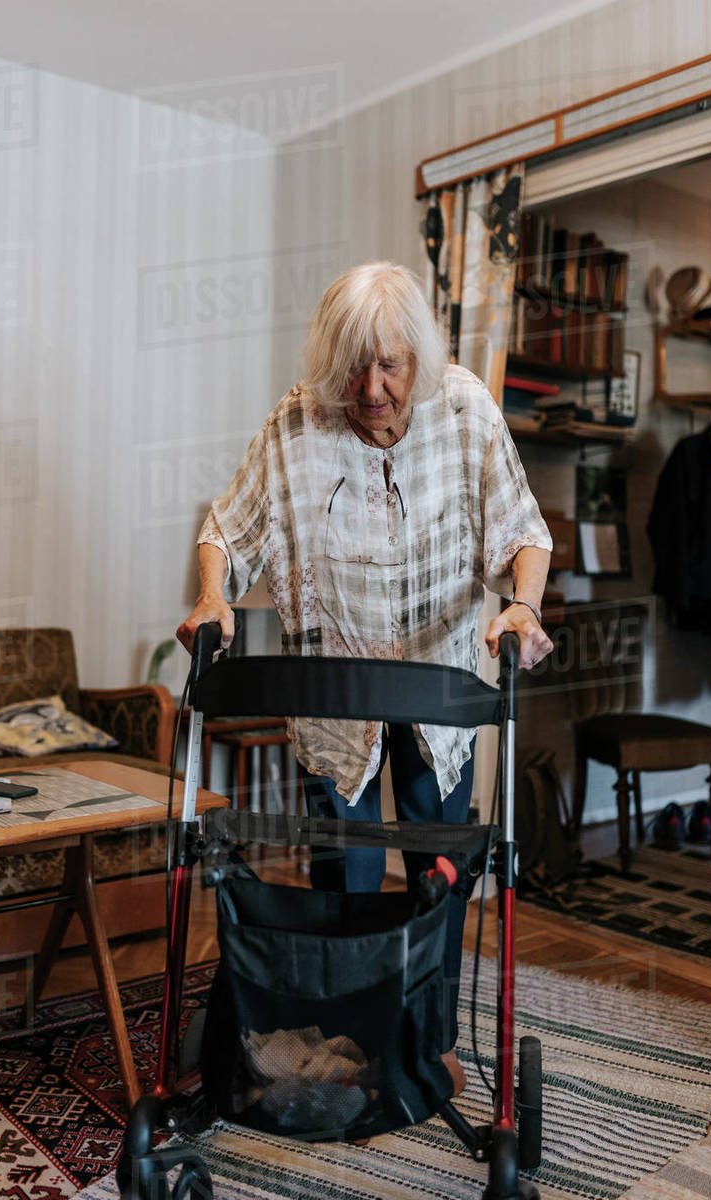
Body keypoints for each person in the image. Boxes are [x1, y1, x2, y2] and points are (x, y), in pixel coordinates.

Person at [177, 261, 553, 1096]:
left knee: (435, 868)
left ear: (419, 356)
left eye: (391, 365)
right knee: (340, 871)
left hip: (439, 691)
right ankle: (347, 1031)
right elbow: (226, 530)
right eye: (355, 365)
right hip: (335, 691)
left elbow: (523, 530)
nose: (373, 389)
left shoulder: (463, 412)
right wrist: (214, 598)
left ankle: (431, 1033)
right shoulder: (296, 426)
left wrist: (523, 605)